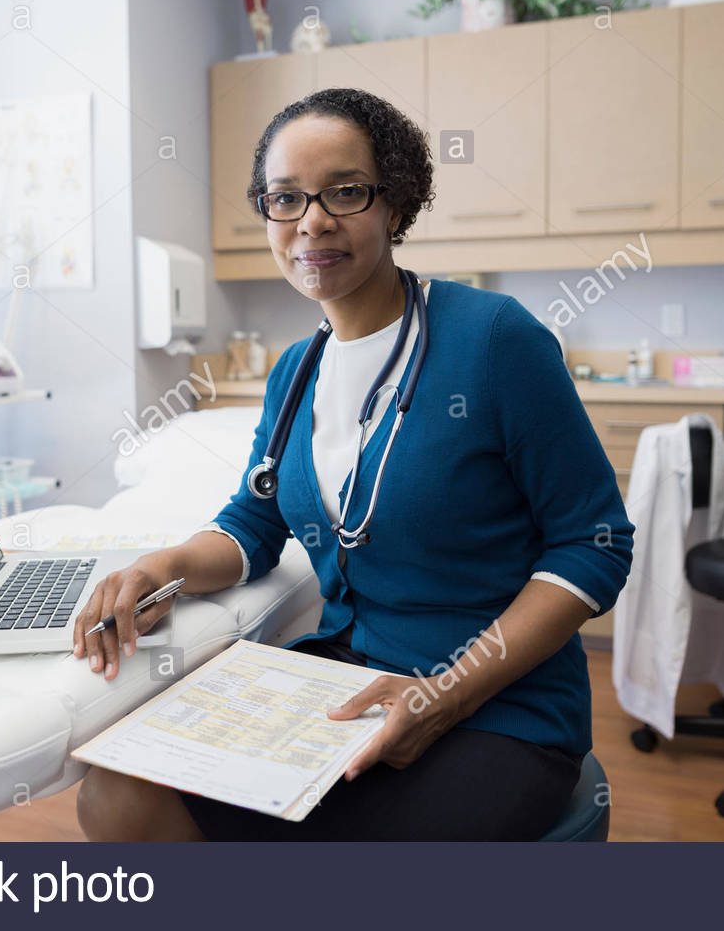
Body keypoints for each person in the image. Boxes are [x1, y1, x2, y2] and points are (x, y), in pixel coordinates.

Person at [74, 88, 634, 840]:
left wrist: (447, 693)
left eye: (344, 191)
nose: (312, 221)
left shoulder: (494, 339)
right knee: (116, 791)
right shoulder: (295, 372)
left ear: (395, 204)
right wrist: (160, 567)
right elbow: (255, 518)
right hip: (343, 680)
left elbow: (592, 544)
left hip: (498, 710)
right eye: (286, 198)